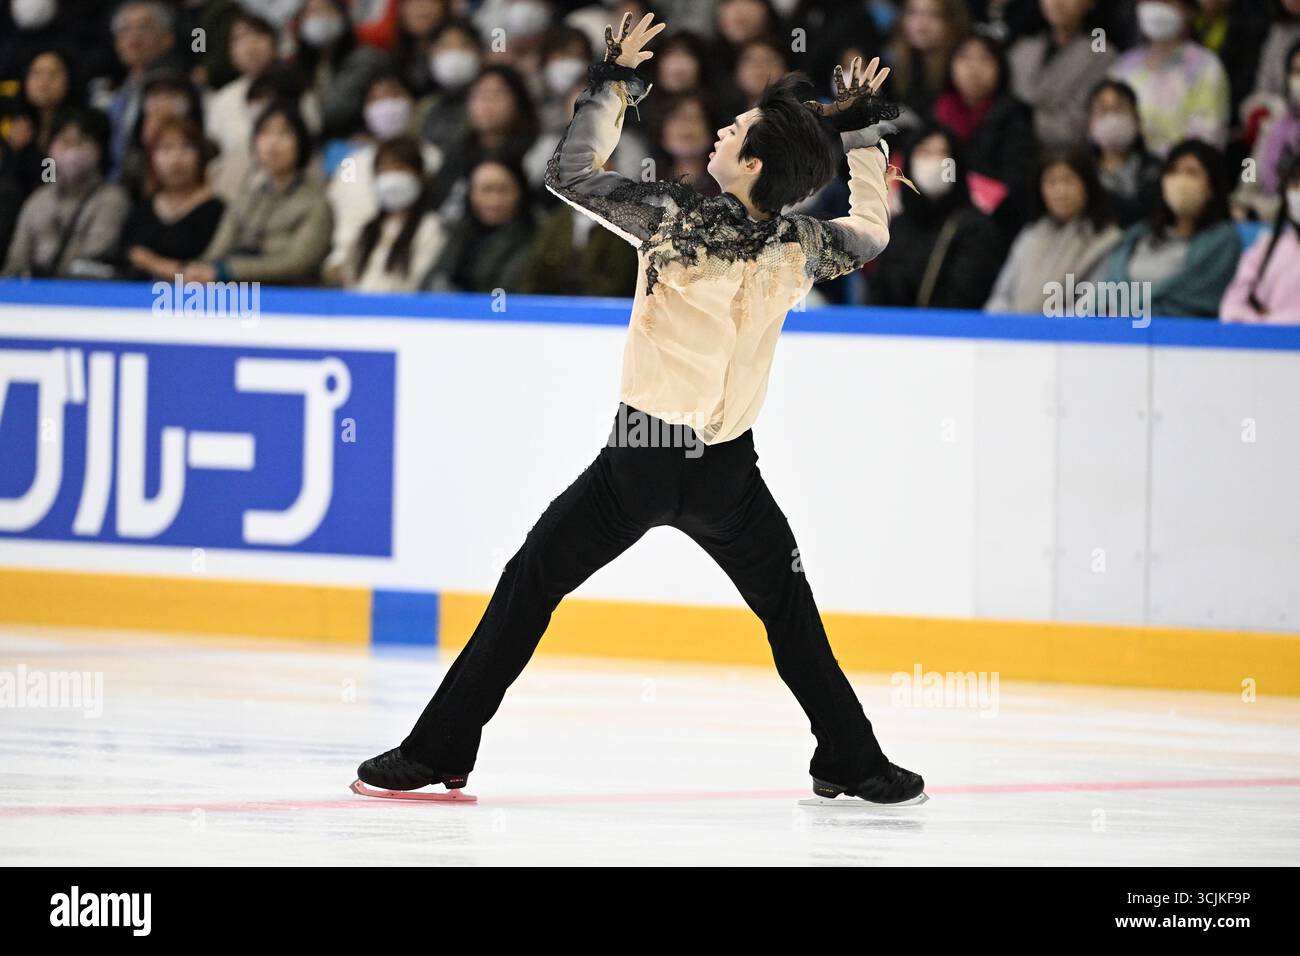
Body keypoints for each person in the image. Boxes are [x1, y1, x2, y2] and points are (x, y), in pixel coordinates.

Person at [356, 13, 927, 807]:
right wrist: (863, 132)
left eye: (735, 130)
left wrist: (615, 82)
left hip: (640, 460)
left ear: (751, 162)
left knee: (530, 585)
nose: (721, 130)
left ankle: (441, 747)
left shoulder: (675, 219)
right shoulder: (798, 246)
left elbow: (568, 171)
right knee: (788, 611)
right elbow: (871, 229)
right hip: (729, 472)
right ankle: (850, 759)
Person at [187, 102, 333, 285]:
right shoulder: (246, 196)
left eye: (284, 133)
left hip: (292, 300)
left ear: (301, 143)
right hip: (241, 297)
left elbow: (296, 263)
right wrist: (199, 269)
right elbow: (218, 249)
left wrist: (226, 271)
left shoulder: (316, 203)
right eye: (265, 133)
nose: (273, 142)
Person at [1099, 138, 1241, 318]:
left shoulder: (1224, 240)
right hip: (1118, 328)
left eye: (1192, 172)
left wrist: (1132, 308)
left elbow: (1197, 298)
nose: (1180, 180)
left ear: (1212, 186)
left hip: (1177, 336)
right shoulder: (1139, 233)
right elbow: (1108, 288)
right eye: (1173, 171)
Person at [986, 149, 1122, 314]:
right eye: (1051, 182)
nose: (1060, 191)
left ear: (1087, 185)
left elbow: (1091, 307)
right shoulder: (1031, 234)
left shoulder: (1107, 240)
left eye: (1069, 181)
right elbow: (1001, 294)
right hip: (1013, 333)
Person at [3, 107, 130, 278]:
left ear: (100, 149)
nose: (71, 151)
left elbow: (93, 258)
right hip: (33, 297)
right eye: (63, 141)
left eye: (80, 142)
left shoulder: (112, 199)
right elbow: (16, 261)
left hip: (82, 295)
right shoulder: (38, 200)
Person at [117, 116, 225, 281]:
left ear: (201, 155)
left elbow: (210, 269)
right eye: (166, 149)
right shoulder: (142, 209)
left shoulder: (218, 210)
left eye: (186, 148)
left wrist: (153, 264)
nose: (176, 159)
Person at [342, 135, 446, 293]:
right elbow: (351, 280)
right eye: (383, 170)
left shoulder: (430, 228)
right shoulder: (368, 229)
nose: (390, 178)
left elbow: (421, 281)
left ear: (419, 175)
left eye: (399, 169)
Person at [1221, 153, 1300, 324]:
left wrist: (1275, 320)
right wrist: (1261, 321)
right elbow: (1231, 308)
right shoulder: (1267, 245)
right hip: (1267, 347)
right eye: (1295, 184)